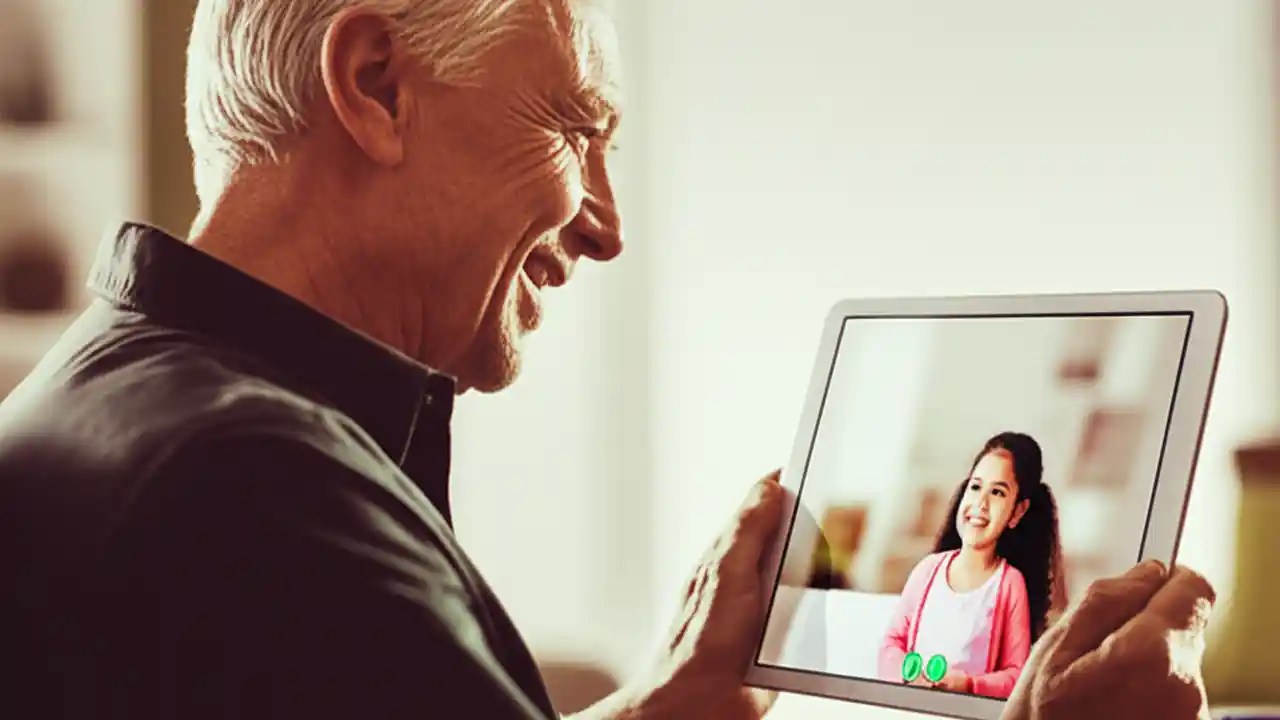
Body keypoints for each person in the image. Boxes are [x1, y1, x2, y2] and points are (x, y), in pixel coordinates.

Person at [0, 1, 1218, 718]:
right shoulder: (255, 487)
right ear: (375, 86)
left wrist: (666, 709)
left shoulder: (110, 384)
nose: (604, 225)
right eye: (573, 128)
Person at [879, 432, 1064, 699]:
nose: (981, 503)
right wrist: (906, 674)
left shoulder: (1009, 584)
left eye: (997, 492)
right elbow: (891, 643)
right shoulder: (928, 570)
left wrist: (968, 685)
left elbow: (1016, 676)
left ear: (1017, 512)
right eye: (976, 487)